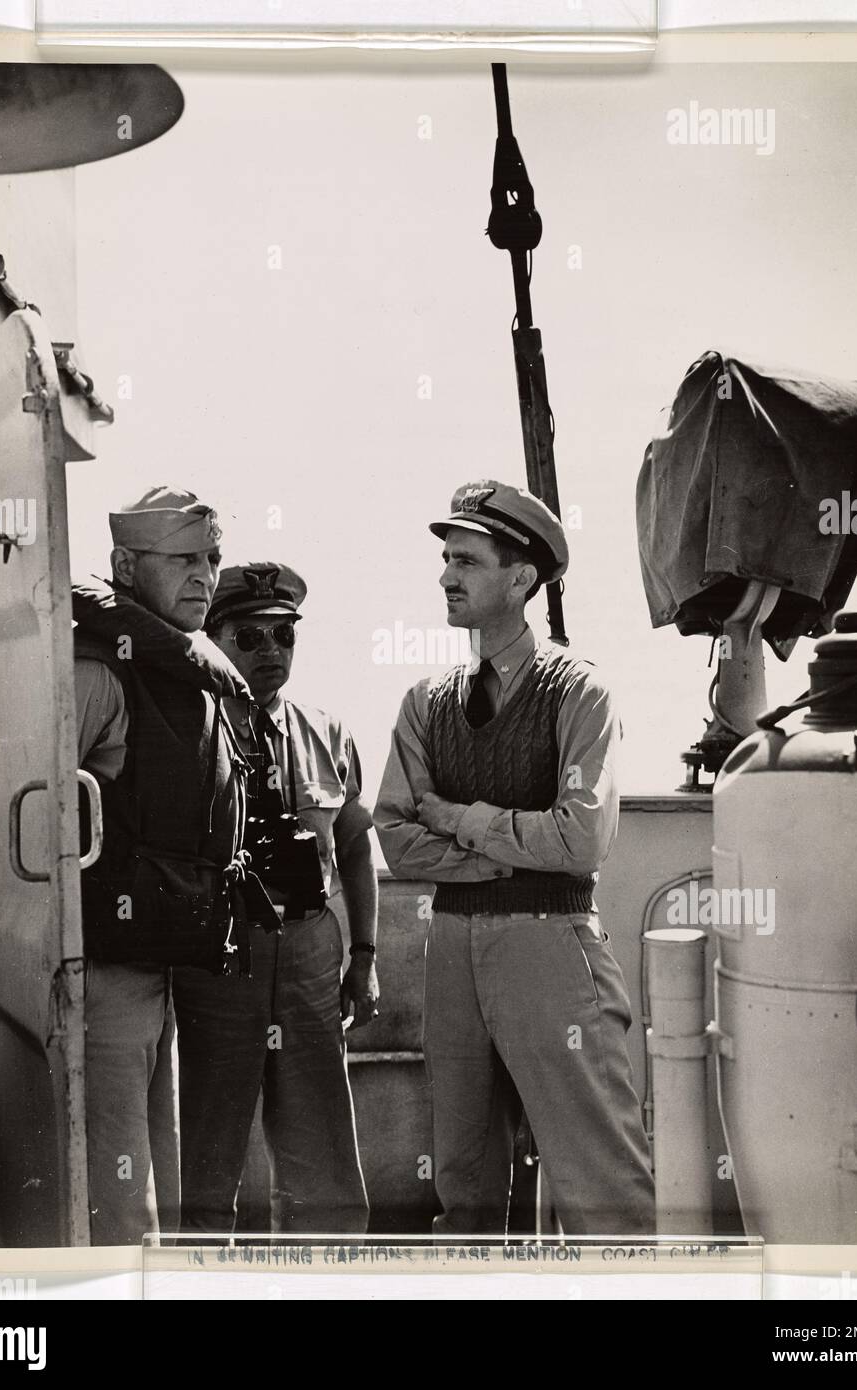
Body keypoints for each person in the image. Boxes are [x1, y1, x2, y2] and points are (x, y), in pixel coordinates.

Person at [373, 479, 656, 1236]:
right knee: (464, 1185)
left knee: (600, 1181)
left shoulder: (580, 692)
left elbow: (581, 838)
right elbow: (396, 831)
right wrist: (496, 860)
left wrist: (461, 818)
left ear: (522, 577)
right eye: (445, 559)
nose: (445, 575)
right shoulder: (425, 703)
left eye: (466, 559)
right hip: (454, 945)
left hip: (551, 948)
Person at [170, 562, 377, 1234]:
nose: (270, 653)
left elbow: (352, 847)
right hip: (221, 953)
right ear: (213, 637)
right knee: (207, 1146)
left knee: (322, 1147)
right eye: (249, 638)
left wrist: (365, 956)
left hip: (310, 948)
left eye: (283, 637)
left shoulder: (327, 731)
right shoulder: (187, 728)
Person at [72, 485, 249, 1245]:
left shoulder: (189, 675)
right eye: (182, 559)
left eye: (212, 558)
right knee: (119, 1188)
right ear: (124, 564)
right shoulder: (100, 673)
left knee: (156, 1180)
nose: (205, 574)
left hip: (157, 967)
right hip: (99, 972)